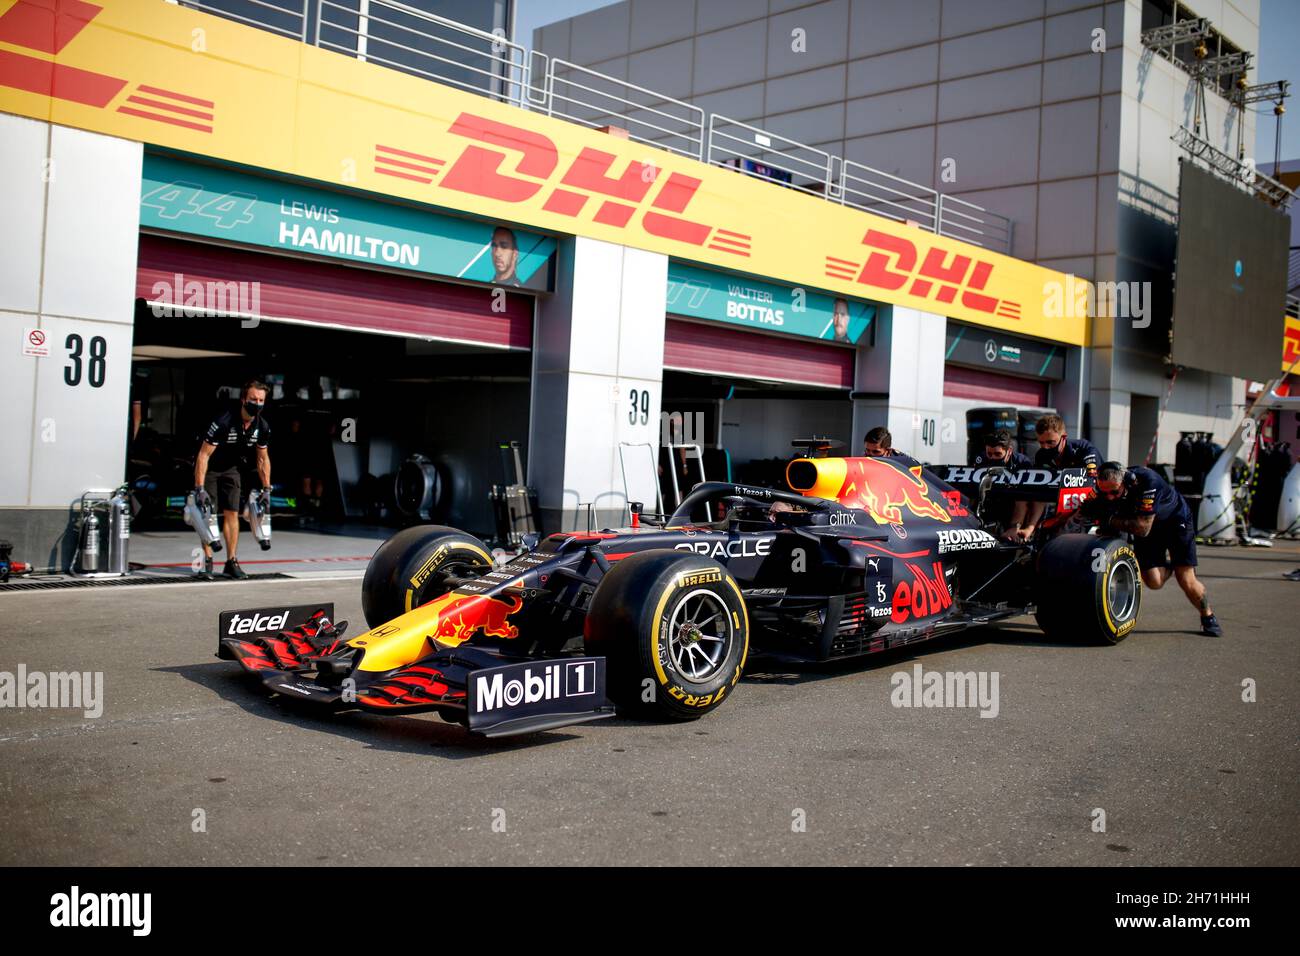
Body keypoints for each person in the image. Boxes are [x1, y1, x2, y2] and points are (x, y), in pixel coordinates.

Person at [1082, 461, 1222, 637]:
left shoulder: (1148, 482)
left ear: (1127, 482)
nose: (1109, 496)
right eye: (1105, 492)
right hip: (1147, 527)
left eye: (1114, 492)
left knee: (1185, 579)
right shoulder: (1105, 488)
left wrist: (1107, 519)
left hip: (1175, 523)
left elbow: (1141, 528)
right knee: (1154, 582)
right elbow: (1089, 509)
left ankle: (1208, 616)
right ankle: (1169, 567)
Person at [193, 380, 272, 580]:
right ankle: (207, 562)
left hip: (232, 469)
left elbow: (263, 459)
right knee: (207, 513)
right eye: (253, 399)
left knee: (232, 513)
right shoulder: (224, 420)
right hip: (210, 468)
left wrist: (267, 489)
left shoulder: (261, 426)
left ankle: (231, 562)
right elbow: (203, 455)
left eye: (261, 400)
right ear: (244, 399)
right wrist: (199, 488)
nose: (257, 403)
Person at [974, 430, 1035, 541]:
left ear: (1009, 451)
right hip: (992, 499)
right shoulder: (981, 459)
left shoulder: (1022, 462)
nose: (993, 458)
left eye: (998, 454)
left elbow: (1023, 499)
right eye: (989, 454)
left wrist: (1014, 528)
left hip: (1014, 500)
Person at [1033, 413, 1102, 476]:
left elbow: (1093, 481)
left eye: (1050, 442)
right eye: (1041, 442)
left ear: (1064, 437)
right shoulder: (1040, 456)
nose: (1045, 447)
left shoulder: (1084, 450)